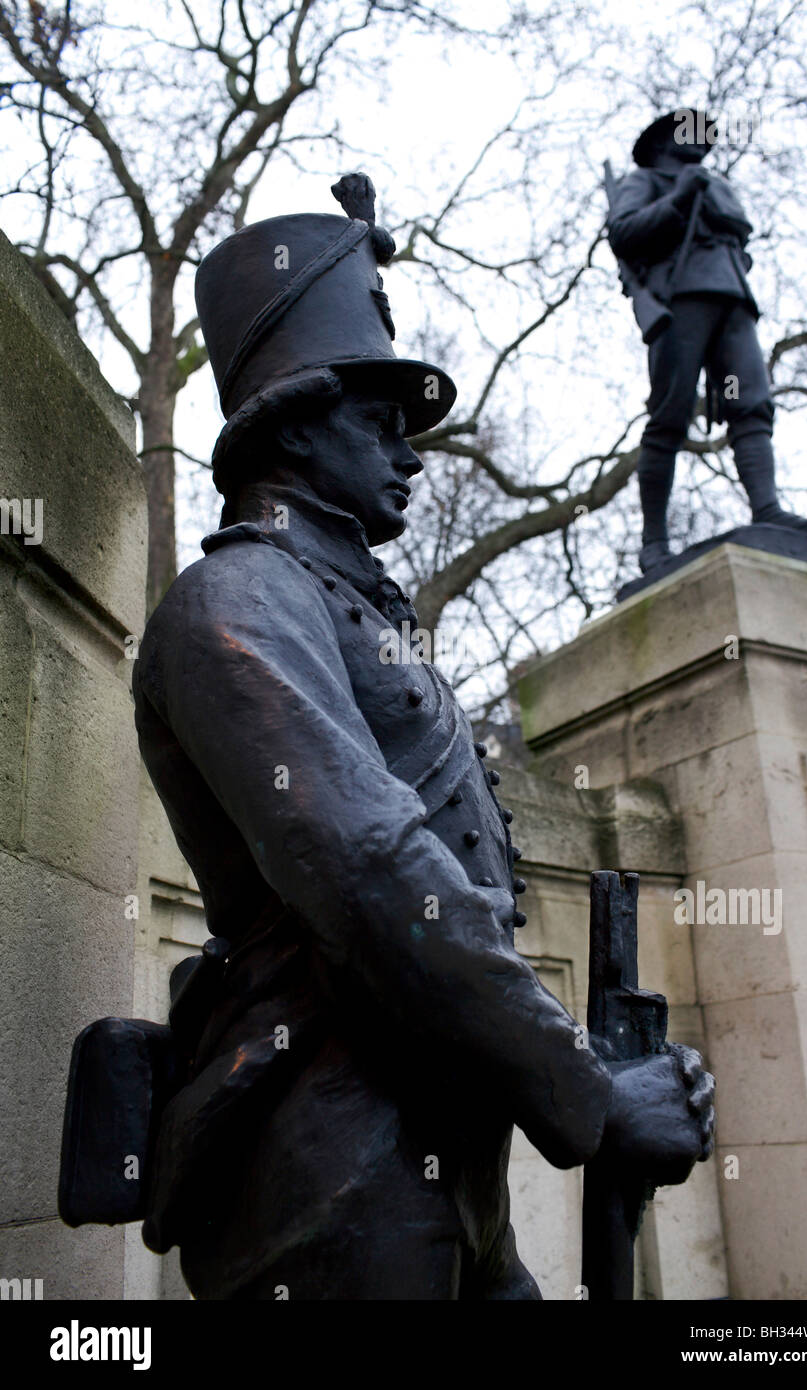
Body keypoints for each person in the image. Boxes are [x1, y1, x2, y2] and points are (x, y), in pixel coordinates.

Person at [133, 174, 715, 1300]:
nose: (410, 454)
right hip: (329, 1157)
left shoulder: (346, 606)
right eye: (380, 422)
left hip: (447, 1148)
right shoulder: (238, 604)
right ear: (298, 421)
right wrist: (589, 1096)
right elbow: (368, 870)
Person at [608, 110, 807, 575]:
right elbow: (623, 233)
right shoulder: (646, 179)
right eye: (690, 132)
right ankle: (653, 543)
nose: (702, 141)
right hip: (680, 297)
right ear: (666, 140)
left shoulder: (717, 183)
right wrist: (678, 200)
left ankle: (767, 509)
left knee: (752, 403)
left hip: (731, 295)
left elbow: (739, 231)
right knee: (670, 415)